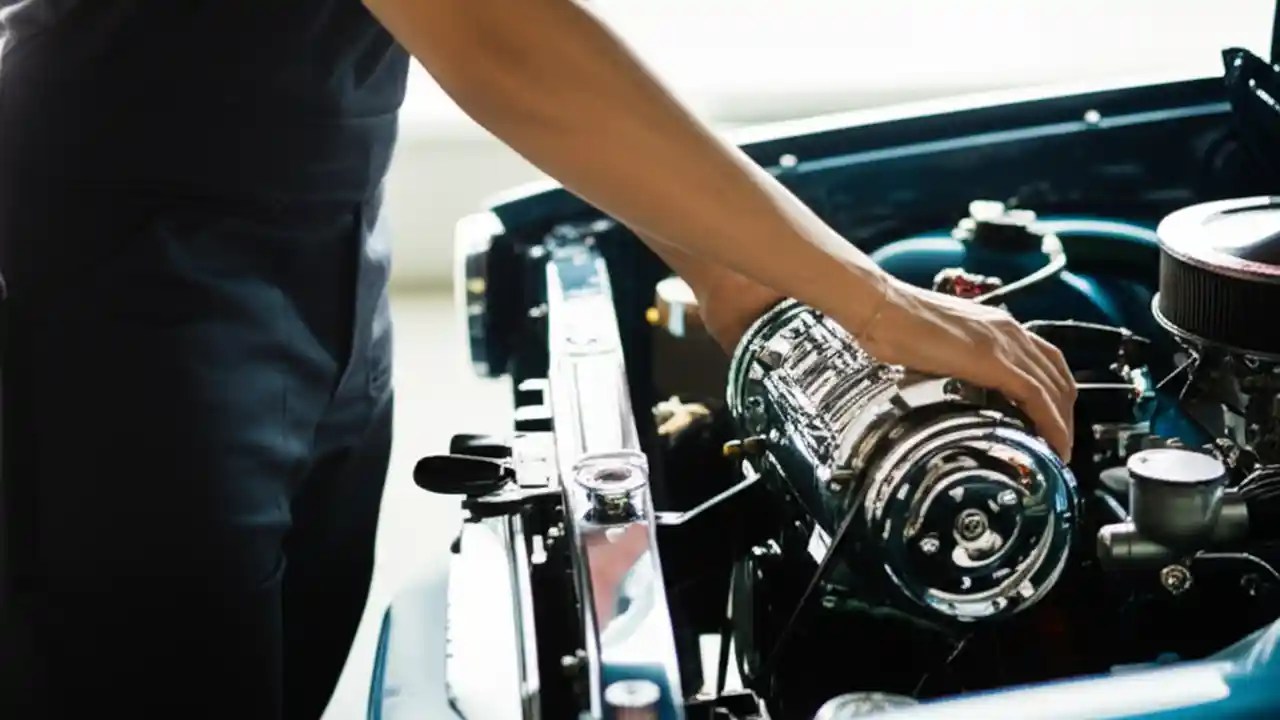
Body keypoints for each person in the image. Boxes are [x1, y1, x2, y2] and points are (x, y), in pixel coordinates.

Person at [0, 1, 1075, 717]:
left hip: (319, 246)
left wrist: (736, 276)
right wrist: (867, 299)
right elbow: (495, 31)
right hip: (118, 278)